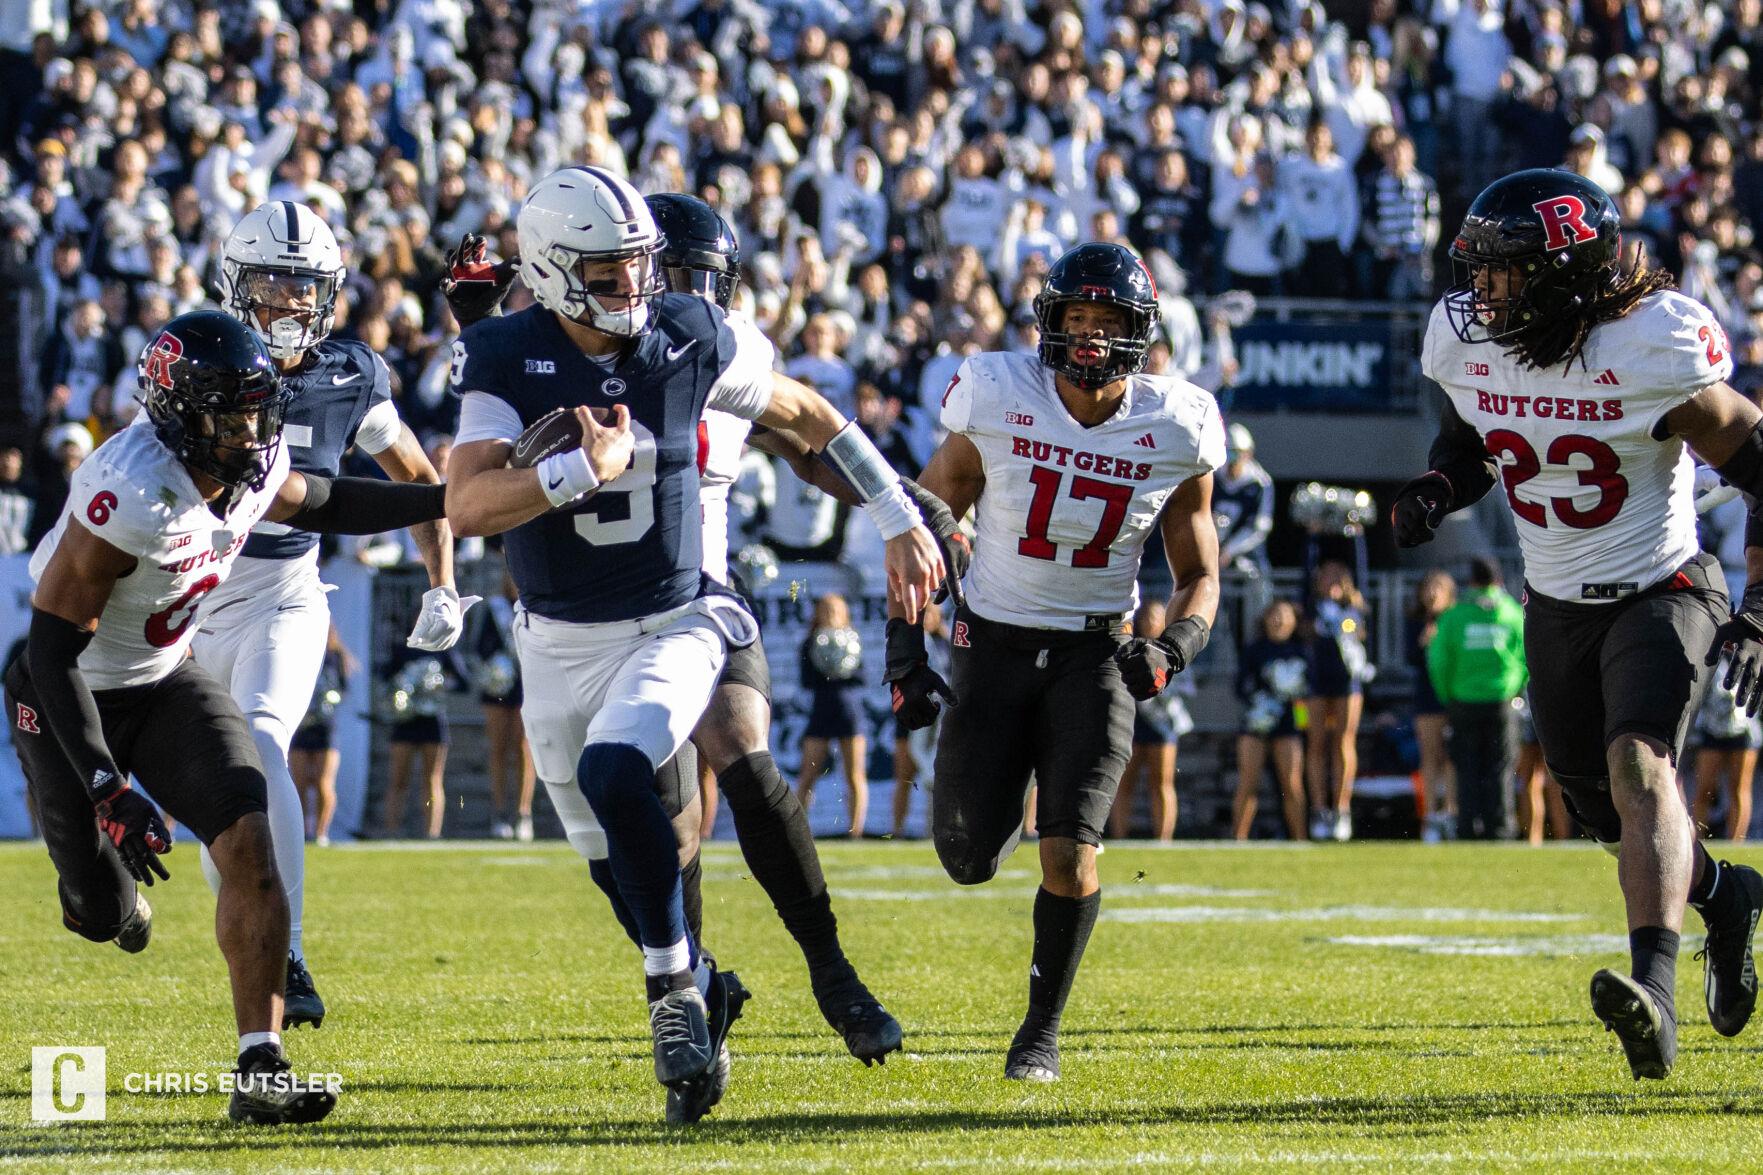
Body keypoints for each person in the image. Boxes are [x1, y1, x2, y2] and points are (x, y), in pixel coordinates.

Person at [443, 167, 941, 1122]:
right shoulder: (507, 348)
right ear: (551, 272)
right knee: (620, 855)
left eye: (646, 268)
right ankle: (699, 981)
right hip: (557, 633)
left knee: (651, 771)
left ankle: (714, 989)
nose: (644, 289)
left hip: (684, 609)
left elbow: (810, 422)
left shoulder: (695, 337)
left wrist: (897, 509)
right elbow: (466, 498)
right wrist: (566, 473)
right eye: (615, 270)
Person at [5, 310, 448, 1124]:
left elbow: (318, 500)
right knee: (100, 911)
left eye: (256, 409)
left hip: (167, 678)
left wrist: (439, 499)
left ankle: (261, 1065)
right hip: (65, 689)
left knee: (252, 835)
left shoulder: (250, 457)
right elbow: (50, 653)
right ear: (178, 414)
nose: (251, 430)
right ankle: (107, 900)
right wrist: (109, 788)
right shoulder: (129, 491)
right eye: (231, 413)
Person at [1390, 168, 1763, 1078]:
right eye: (1476, 272)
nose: (1480, 294)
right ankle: (1725, 893)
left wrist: (1755, 607)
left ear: (1563, 273)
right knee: (1595, 806)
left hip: (1662, 583)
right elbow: (1475, 440)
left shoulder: (1652, 347)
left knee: (1639, 763)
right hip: (1553, 603)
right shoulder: (1468, 341)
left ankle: (1655, 996)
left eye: (1503, 273)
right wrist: (1442, 485)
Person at [887, 241, 1224, 1082]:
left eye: (1104, 322)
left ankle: (1039, 1031)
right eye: (1072, 318)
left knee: (1070, 849)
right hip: (990, 643)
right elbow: (921, 521)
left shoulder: (1176, 422)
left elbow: (1200, 572)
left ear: (1137, 334)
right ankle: (995, 810)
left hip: (1095, 650)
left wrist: (1173, 647)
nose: (1085, 336)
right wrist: (904, 646)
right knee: (966, 856)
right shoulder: (998, 392)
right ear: (1046, 324)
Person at [191, 200, 465, 1032]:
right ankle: (270, 945)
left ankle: (290, 948)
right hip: (190, 599)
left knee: (261, 751)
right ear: (236, 287)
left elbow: (418, 476)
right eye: (272, 285)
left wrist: (442, 580)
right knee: (217, 802)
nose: (289, 304)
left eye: (304, 287)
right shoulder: (198, 357)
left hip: (284, 595)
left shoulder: (349, 372)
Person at [1428, 557, 1528, 840]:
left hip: (1463, 700)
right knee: (1501, 768)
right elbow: (1527, 657)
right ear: (1497, 581)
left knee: (1466, 767)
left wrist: (1447, 695)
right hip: (1502, 701)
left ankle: (1467, 826)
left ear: (1471, 582)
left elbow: (1438, 661)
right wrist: (1515, 688)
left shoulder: (1455, 615)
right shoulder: (1511, 613)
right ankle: (1501, 827)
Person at [1233, 599, 1311, 840]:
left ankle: (1300, 838)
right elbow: (1239, 686)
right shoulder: (1255, 650)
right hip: (1256, 724)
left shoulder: (1302, 651)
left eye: (1284, 616)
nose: (1278, 620)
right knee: (1248, 782)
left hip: (1288, 726)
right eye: (1274, 615)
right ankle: (1237, 839)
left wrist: (1302, 722)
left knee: (1292, 783)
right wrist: (1258, 703)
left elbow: (1308, 694)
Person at [1304, 560, 1370, 841]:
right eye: (1325, 576)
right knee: (1317, 741)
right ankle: (1320, 810)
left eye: (1337, 576)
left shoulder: (1354, 609)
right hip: (1317, 680)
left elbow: (1359, 634)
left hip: (1347, 681)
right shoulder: (1311, 607)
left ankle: (1342, 809)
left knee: (1343, 741)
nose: (1331, 581)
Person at [796, 592, 869, 838]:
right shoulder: (810, 642)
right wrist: (825, 663)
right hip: (821, 712)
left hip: (849, 712)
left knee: (854, 774)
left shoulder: (853, 642)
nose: (829, 615)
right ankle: (798, 829)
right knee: (808, 773)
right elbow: (806, 680)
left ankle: (855, 831)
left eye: (834, 610)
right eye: (825, 610)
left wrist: (841, 664)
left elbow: (861, 677)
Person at [1111, 600, 1185, 841]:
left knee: (1162, 782)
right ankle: (1120, 836)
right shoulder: (1129, 647)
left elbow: (1187, 685)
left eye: (1157, 617)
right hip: (1131, 721)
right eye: (1147, 617)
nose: (1151, 622)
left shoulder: (1172, 649)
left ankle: (1164, 838)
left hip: (1162, 724)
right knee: (1125, 781)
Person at [476, 571, 533, 841]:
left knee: (524, 748)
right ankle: (499, 812)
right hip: (499, 685)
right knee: (498, 748)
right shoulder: (495, 608)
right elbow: (481, 646)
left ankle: (523, 812)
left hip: (528, 683)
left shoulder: (534, 605)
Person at [288, 624, 351, 847]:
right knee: (300, 783)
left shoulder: (336, 657)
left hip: (325, 728)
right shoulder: (297, 655)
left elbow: (343, 690)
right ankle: (303, 832)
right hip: (301, 728)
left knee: (324, 782)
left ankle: (321, 833)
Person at [1407, 570, 1458, 841]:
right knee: (1429, 755)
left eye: (1438, 587)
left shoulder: (1455, 621)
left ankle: (1450, 811)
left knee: (1451, 756)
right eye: (1428, 587)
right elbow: (1411, 658)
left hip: (1453, 695)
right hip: (1427, 697)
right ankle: (1430, 815)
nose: (1432, 593)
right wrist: (1424, 641)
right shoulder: (1416, 622)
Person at [1691, 676, 1758, 842]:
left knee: (1738, 788)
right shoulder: (1714, 654)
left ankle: (1736, 842)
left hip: (1744, 726)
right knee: (1705, 787)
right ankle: (1698, 840)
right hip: (1711, 726)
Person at [1513, 694, 1572, 844]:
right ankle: (1537, 838)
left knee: (1551, 776)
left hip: (1540, 704)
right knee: (1532, 778)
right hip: (1536, 704)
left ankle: (1559, 836)